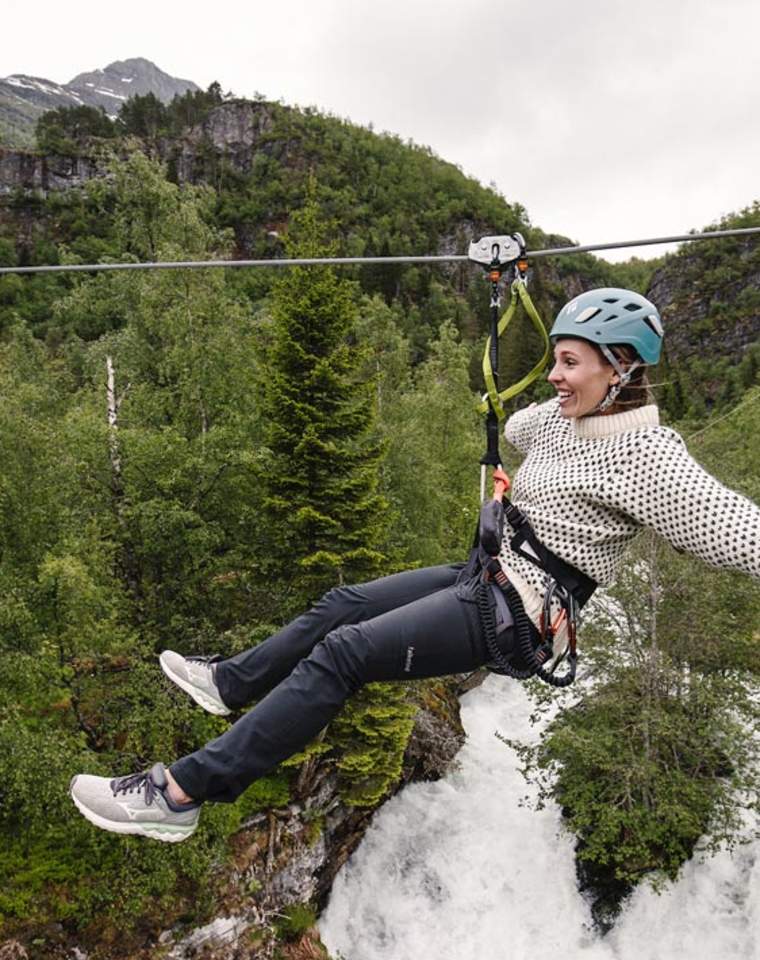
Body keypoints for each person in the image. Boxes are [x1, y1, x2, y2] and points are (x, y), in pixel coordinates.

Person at [70, 287, 760, 842]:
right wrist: (525, 336)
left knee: (341, 655)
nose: (554, 376)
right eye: (556, 359)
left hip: (521, 614)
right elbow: (518, 426)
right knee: (341, 606)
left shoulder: (652, 459)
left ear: (624, 369)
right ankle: (229, 681)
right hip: (488, 573)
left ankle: (179, 793)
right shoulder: (562, 419)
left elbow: (738, 532)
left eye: (571, 363)